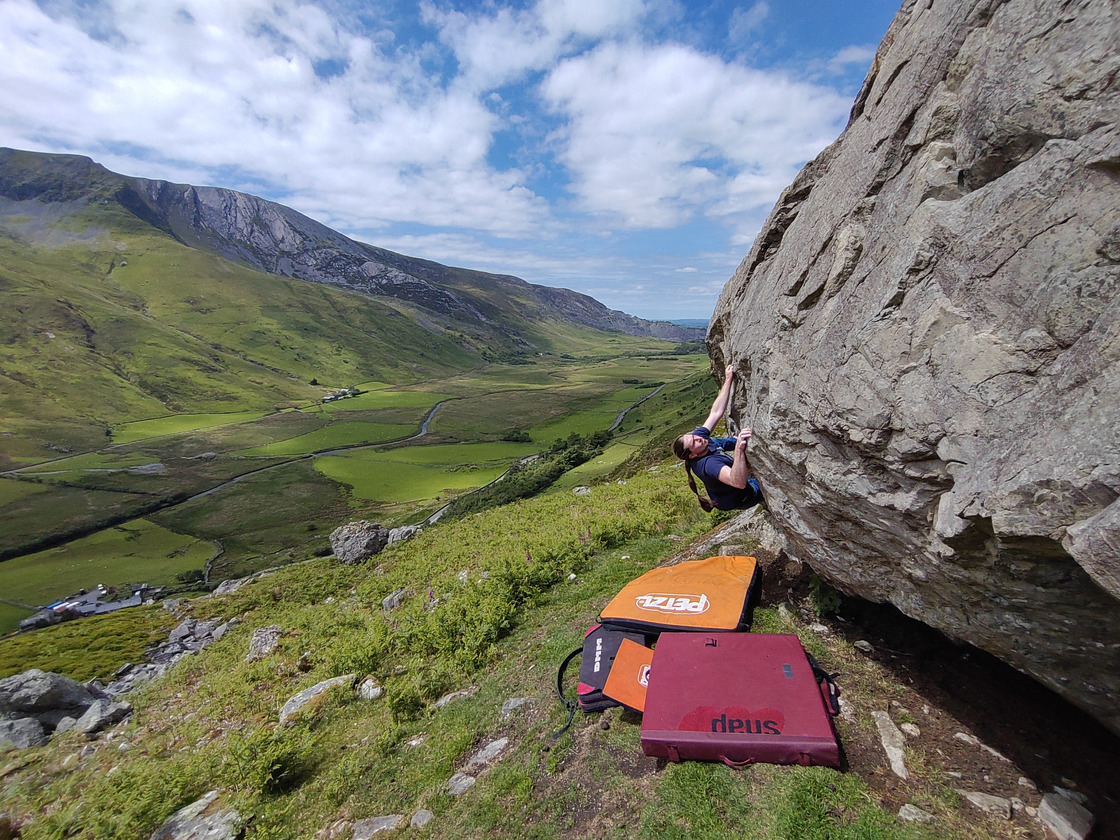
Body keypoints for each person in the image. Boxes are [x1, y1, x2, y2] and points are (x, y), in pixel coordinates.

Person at [672, 364, 764, 512]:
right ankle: (734, 442)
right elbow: (738, 482)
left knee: (713, 442)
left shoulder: (699, 439)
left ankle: (732, 441)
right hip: (745, 495)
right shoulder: (709, 465)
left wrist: (728, 380)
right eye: (694, 442)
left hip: (734, 486)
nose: (698, 438)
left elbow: (715, 413)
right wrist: (739, 449)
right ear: (693, 454)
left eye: (693, 436)